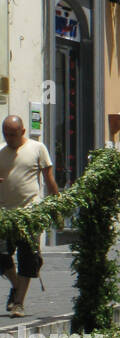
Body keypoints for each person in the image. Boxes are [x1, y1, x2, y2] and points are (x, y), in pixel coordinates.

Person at [0, 115, 60, 317]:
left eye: (13, 134)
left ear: (23, 132)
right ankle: (16, 285)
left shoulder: (37, 148)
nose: (9, 138)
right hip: (5, 214)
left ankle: (18, 303)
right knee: (2, 255)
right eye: (6, 134)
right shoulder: (0, 151)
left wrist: (57, 206)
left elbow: (49, 179)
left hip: (30, 213)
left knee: (27, 257)